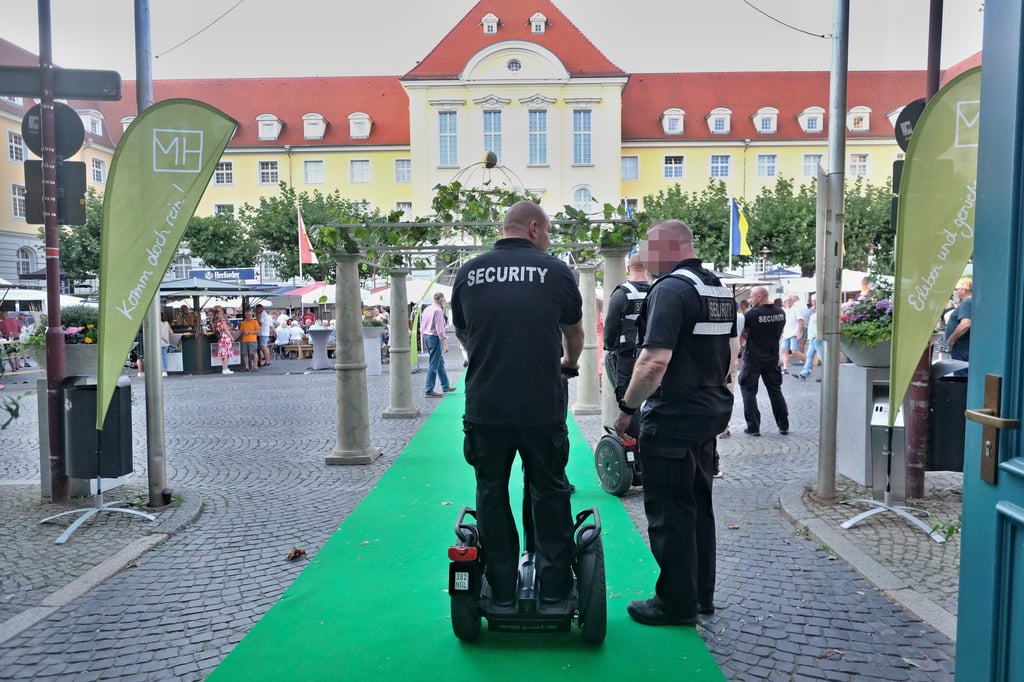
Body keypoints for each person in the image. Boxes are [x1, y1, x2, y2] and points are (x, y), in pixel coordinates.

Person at [451, 200, 584, 608]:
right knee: (549, 490)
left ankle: (503, 586)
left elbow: (462, 332)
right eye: (547, 232)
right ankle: (556, 586)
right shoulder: (556, 271)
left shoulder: (468, 273)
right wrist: (569, 363)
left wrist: (482, 357)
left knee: (490, 491)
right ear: (532, 228)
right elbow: (574, 331)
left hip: (486, 404)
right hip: (540, 404)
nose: (548, 240)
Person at [612, 219, 734, 627]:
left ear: (667, 246)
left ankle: (675, 603)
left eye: (647, 248)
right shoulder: (716, 286)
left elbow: (654, 361)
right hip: (708, 412)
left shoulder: (670, 289)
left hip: (674, 415)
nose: (644, 258)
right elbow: (732, 351)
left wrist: (627, 408)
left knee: (670, 511)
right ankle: (702, 595)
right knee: (699, 505)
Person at [602, 252, 650, 437]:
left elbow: (611, 327)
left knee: (629, 400)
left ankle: (632, 446)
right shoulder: (657, 291)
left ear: (628, 268)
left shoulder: (622, 293)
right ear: (647, 267)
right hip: (653, 352)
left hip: (627, 355)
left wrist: (610, 346)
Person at [739, 286, 789, 435]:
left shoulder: (751, 315)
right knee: (775, 390)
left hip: (753, 358)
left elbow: (743, 333)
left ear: (760, 297)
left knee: (748, 391)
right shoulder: (781, 313)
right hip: (772, 358)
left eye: (752, 296)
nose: (750, 299)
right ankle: (783, 425)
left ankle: (753, 427)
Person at [420, 291, 452, 397]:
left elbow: (423, 325)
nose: (444, 301)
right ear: (440, 299)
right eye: (443, 299)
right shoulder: (438, 310)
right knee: (434, 363)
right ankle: (429, 389)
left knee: (439, 361)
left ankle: (445, 385)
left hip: (427, 336)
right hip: (434, 337)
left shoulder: (427, 309)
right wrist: (445, 343)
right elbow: (440, 329)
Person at [945, 277, 972, 376]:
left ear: (964, 290)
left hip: (961, 349)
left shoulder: (967, 302)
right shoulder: (969, 302)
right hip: (964, 348)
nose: (955, 291)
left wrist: (951, 339)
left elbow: (965, 324)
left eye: (957, 289)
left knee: (961, 376)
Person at [796, 296, 821, 381]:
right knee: (809, 356)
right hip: (813, 337)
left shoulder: (822, 311)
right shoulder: (814, 310)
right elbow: (806, 317)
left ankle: (829, 376)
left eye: (815, 301)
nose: (813, 302)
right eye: (812, 301)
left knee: (822, 357)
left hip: (817, 337)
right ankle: (803, 374)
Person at [779, 295, 805, 374]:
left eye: (790, 300)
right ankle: (785, 369)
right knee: (784, 351)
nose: (788, 302)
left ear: (793, 301)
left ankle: (808, 361)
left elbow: (801, 321)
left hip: (794, 333)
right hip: (786, 333)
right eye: (786, 301)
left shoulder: (796, 310)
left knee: (794, 351)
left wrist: (799, 333)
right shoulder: (783, 310)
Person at [255, 304, 273, 368]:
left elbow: (261, 324)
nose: (256, 310)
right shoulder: (261, 314)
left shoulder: (263, 314)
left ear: (261, 308)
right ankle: (262, 361)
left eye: (257, 309)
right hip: (262, 333)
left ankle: (268, 362)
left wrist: (256, 329)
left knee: (264, 347)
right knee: (261, 347)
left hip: (263, 333)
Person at [159, 311, 173, 377]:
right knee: (164, 357)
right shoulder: (167, 323)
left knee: (160, 357)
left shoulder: (157, 323)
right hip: (166, 342)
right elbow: (171, 332)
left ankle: (162, 371)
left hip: (159, 342)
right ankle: (165, 371)